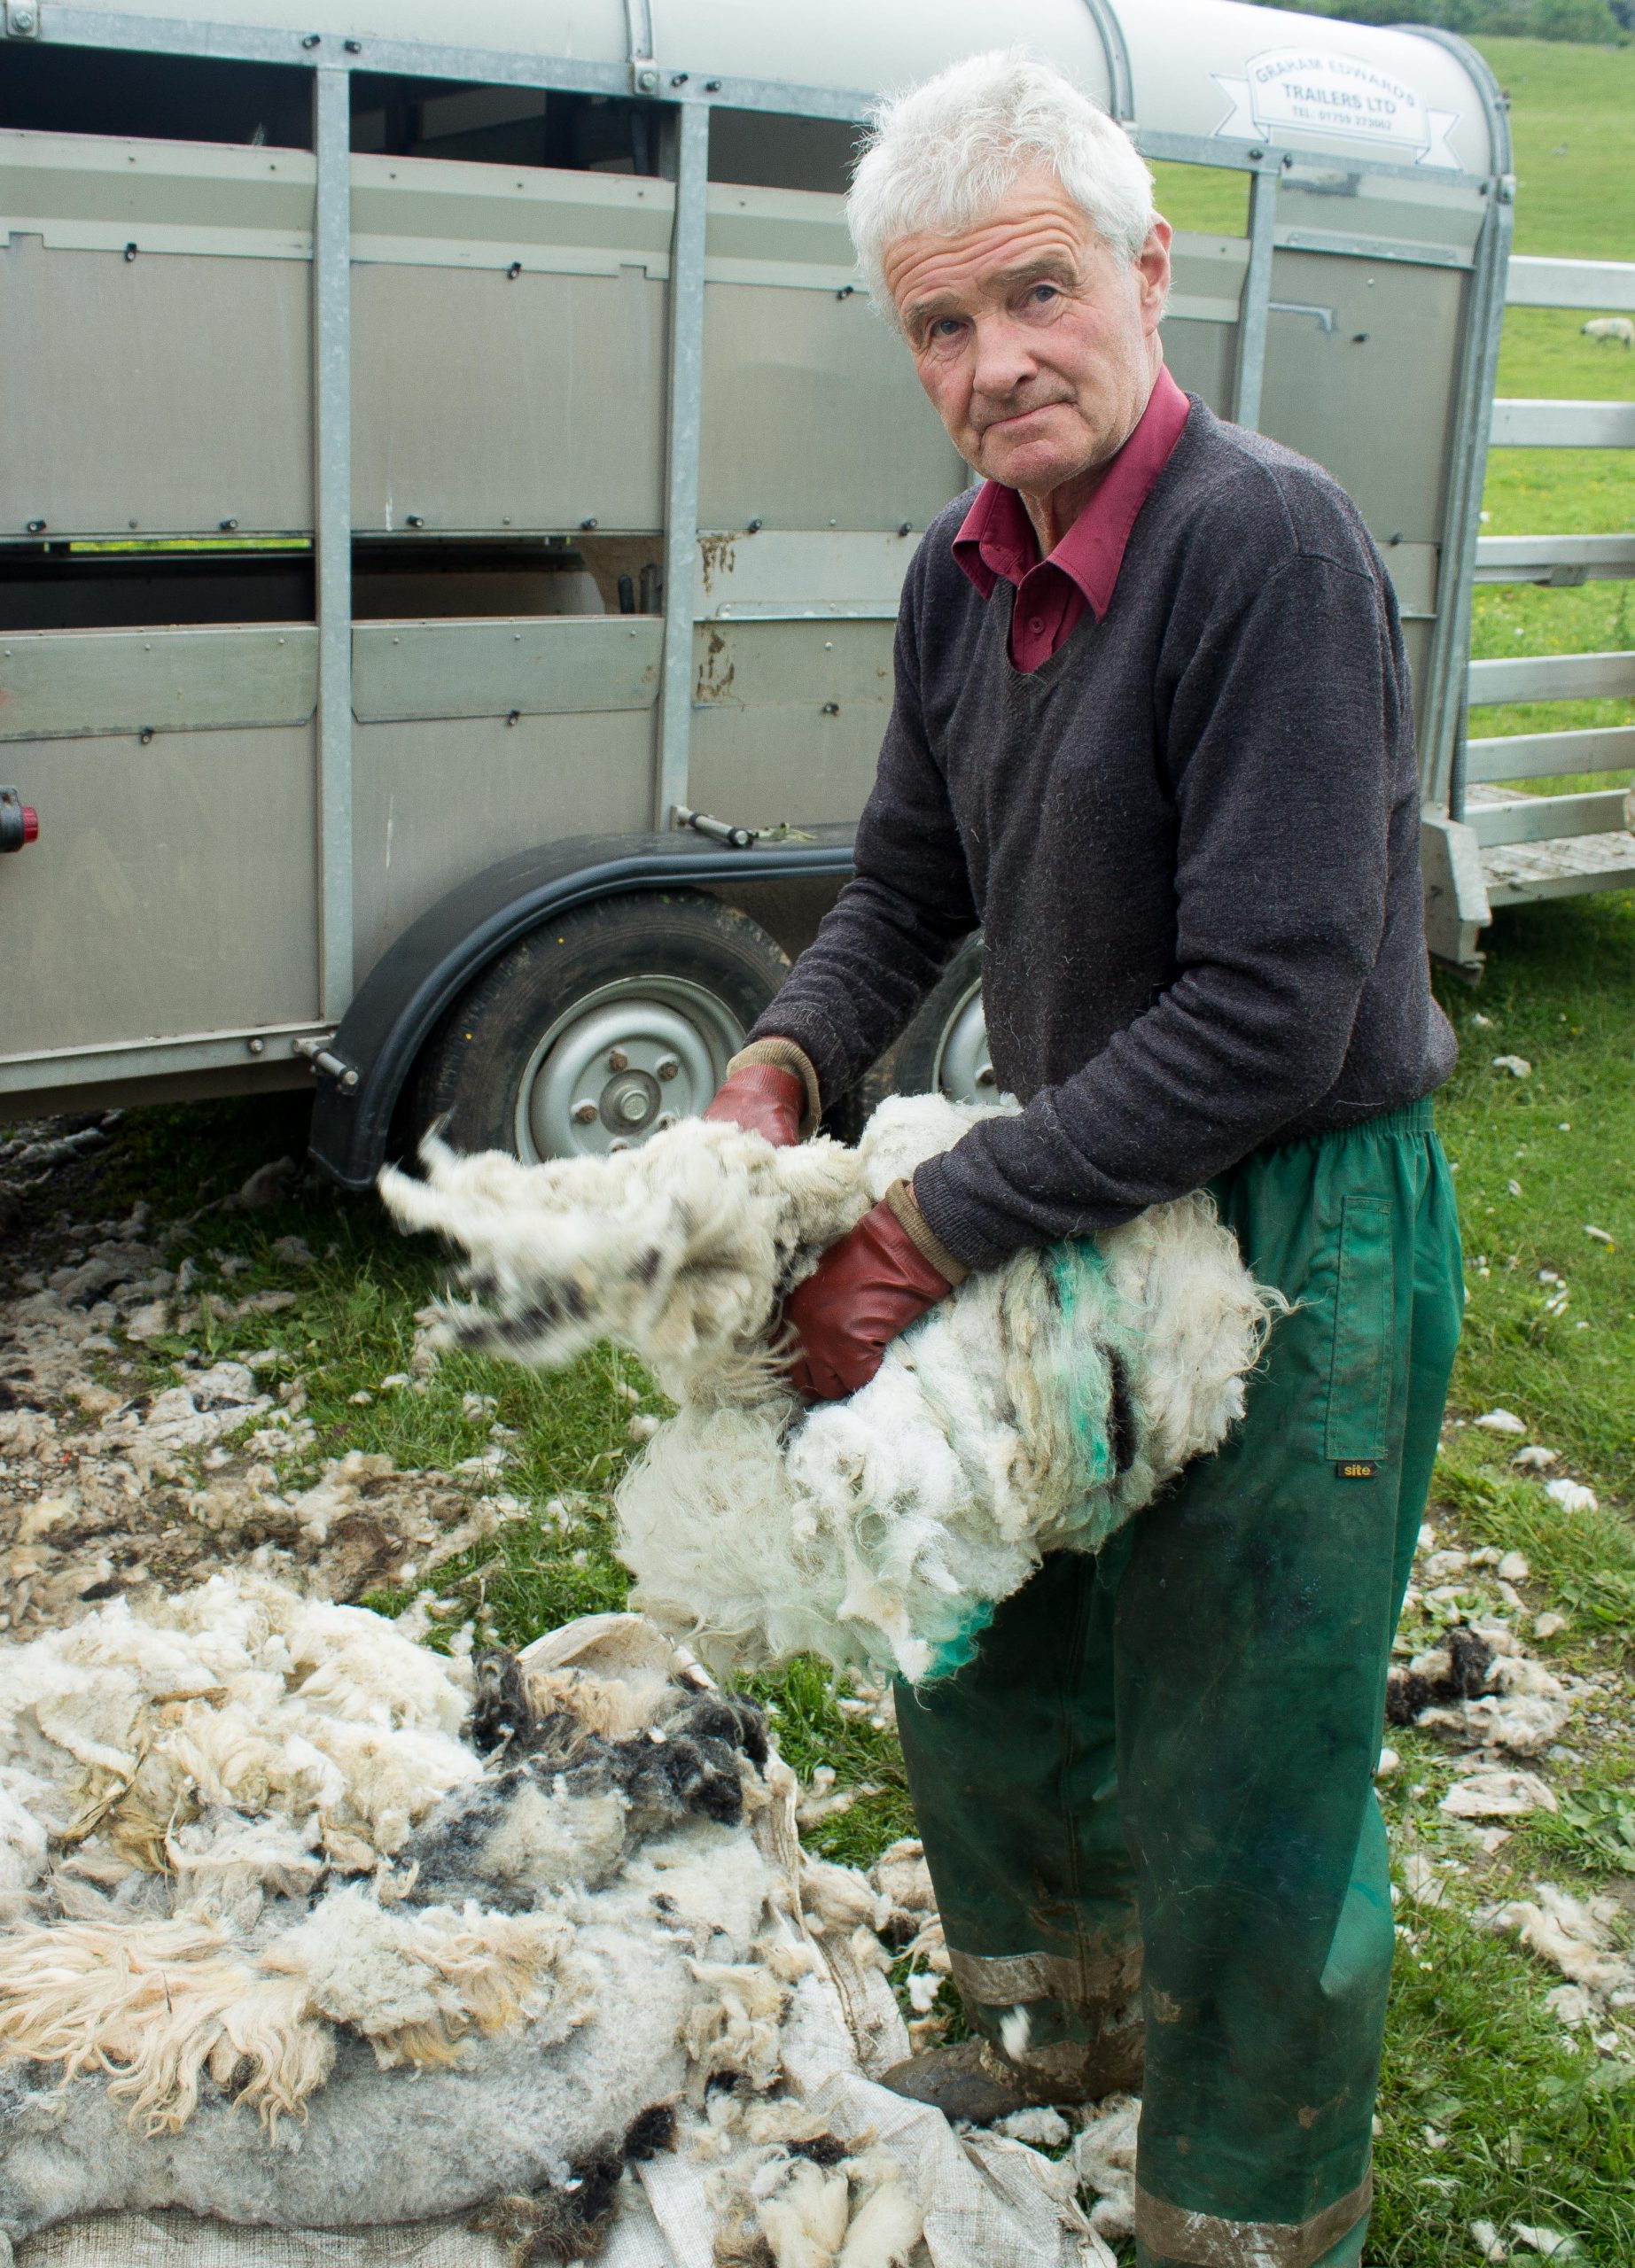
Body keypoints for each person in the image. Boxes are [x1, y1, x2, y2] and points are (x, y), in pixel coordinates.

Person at [704, 50, 1462, 2268]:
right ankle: (1056, 2021)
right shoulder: (964, 575)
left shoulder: (1259, 545)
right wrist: (782, 1065)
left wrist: (919, 1231)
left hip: (1287, 1208)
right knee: (984, 1640)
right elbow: (901, 884)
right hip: (1055, 1189)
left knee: (1252, 1740)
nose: (989, 361)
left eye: (1034, 293)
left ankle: (1240, 2199)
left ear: (1148, 269)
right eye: (938, 324)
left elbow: (1271, 1010)